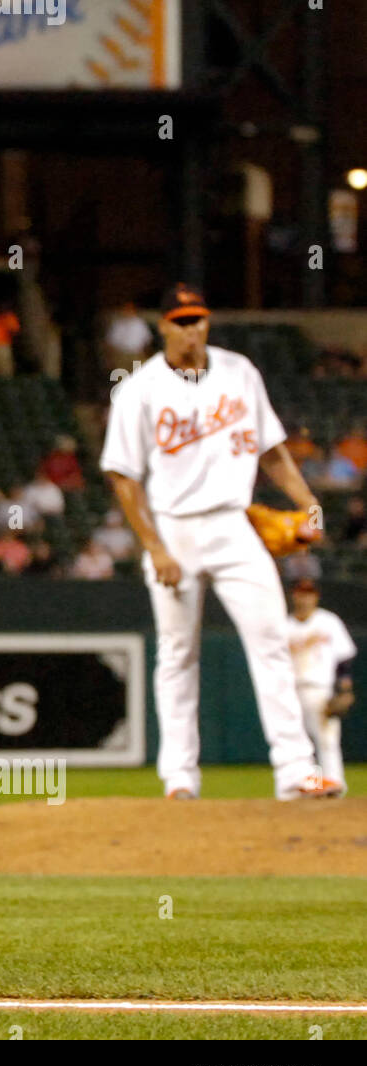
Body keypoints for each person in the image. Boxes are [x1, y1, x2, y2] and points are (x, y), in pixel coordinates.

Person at [101, 283, 332, 800]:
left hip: (234, 523)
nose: (191, 329)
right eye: (181, 320)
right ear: (163, 325)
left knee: (271, 642)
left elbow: (272, 451)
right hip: (173, 528)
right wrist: (155, 548)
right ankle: (180, 777)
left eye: (198, 318)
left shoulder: (240, 372)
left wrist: (306, 501)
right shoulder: (139, 389)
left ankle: (295, 771)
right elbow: (123, 477)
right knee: (178, 653)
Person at [286, 579, 354, 797]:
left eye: (309, 593)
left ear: (316, 597)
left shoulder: (328, 622)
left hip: (319, 690)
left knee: (326, 740)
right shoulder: (285, 626)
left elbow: (344, 659)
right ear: (293, 596)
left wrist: (344, 688)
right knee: (302, 746)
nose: (304, 598)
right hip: (290, 692)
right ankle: (314, 786)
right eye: (300, 593)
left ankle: (334, 785)